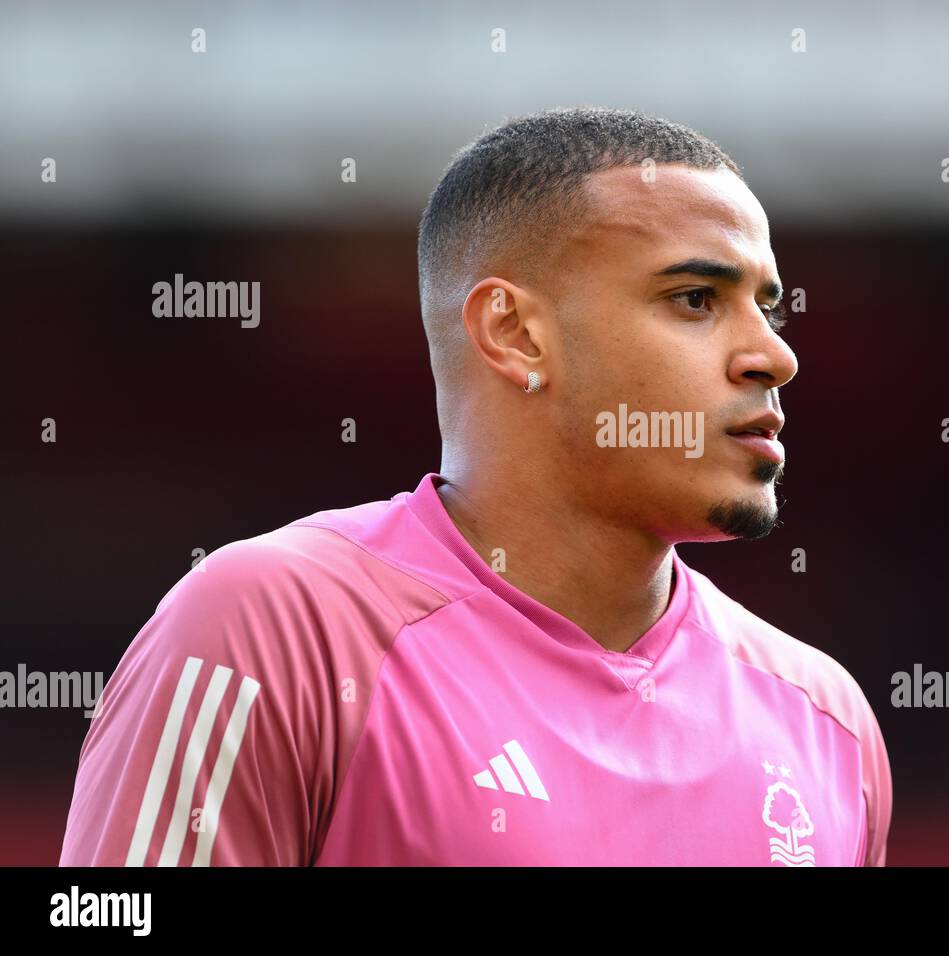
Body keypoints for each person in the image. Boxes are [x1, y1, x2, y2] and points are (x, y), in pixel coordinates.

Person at [60, 106, 892, 866]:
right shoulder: (271, 629)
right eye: (696, 298)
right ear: (515, 333)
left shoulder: (826, 721)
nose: (773, 356)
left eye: (769, 309)